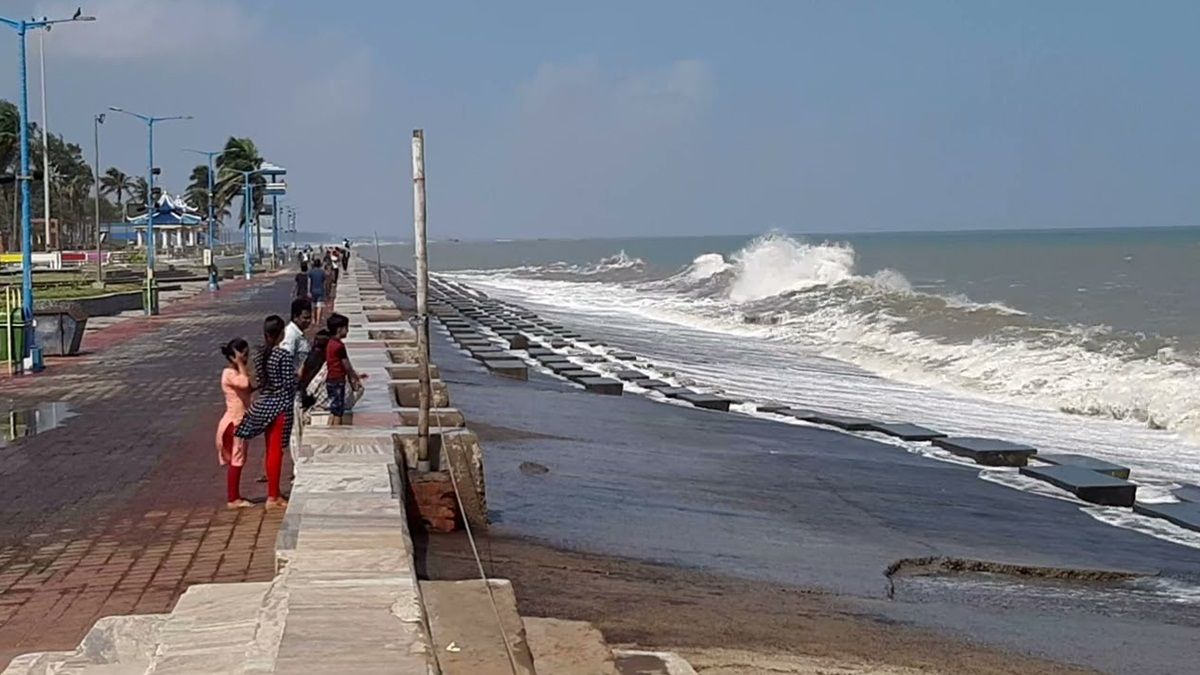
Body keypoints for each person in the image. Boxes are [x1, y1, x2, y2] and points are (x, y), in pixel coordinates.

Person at [235, 316, 296, 510]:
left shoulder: (260, 355)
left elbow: (260, 380)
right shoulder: (283, 355)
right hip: (281, 406)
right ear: (281, 334)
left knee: (270, 449)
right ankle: (273, 496)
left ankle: (274, 492)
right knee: (276, 450)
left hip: (264, 405)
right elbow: (290, 384)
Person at [216, 338, 253, 509]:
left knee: (237, 458)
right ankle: (233, 498)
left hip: (238, 420)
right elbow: (245, 383)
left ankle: (234, 496)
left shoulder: (236, 373)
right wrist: (240, 363)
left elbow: (249, 386)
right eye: (244, 355)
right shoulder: (230, 374)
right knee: (237, 459)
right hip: (235, 422)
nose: (246, 358)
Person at [325, 313, 365, 426]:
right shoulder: (339, 346)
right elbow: (346, 366)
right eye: (346, 328)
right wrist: (354, 378)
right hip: (338, 381)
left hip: (330, 380)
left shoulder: (330, 343)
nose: (347, 331)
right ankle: (337, 431)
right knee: (339, 411)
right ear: (339, 329)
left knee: (333, 408)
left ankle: (330, 429)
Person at [308, 261, 327, 326]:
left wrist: (308, 291)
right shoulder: (322, 272)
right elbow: (324, 283)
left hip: (313, 291)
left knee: (313, 306)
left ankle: (313, 319)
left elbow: (309, 282)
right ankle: (318, 321)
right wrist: (325, 292)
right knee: (319, 306)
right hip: (320, 291)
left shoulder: (311, 272)